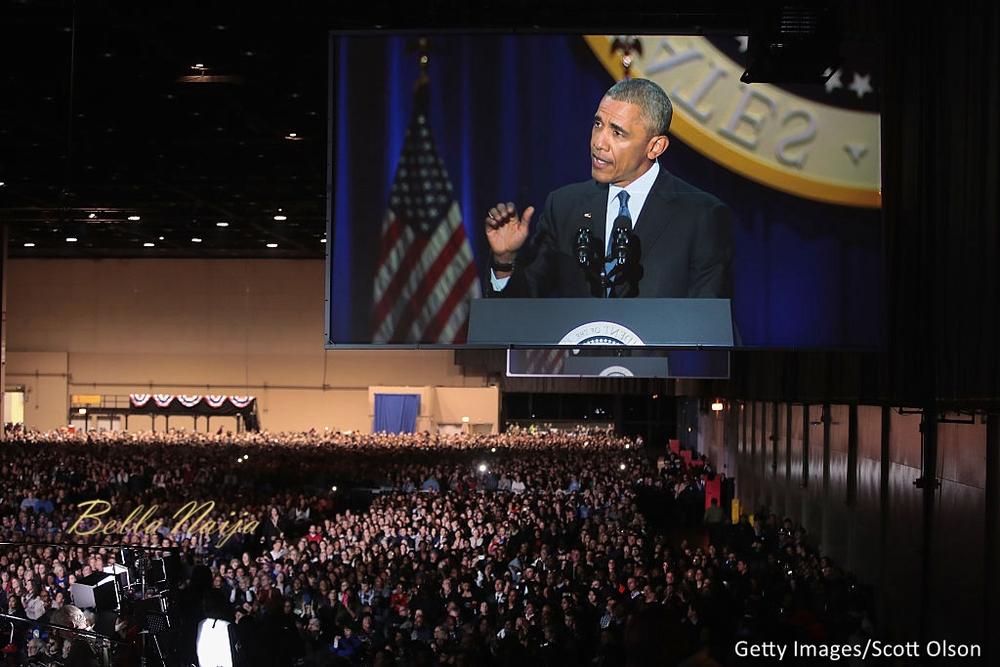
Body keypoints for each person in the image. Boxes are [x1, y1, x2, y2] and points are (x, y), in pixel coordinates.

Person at [484, 78, 732, 299]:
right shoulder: (563, 207)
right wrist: (504, 261)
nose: (598, 142)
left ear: (655, 147)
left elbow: (707, 327)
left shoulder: (700, 215)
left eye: (617, 132)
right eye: (598, 124)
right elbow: (522, 310)